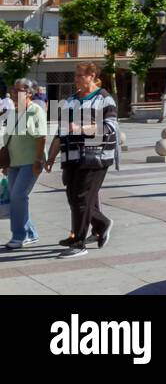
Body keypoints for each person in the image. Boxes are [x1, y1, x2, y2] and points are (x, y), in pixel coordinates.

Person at [45, 62, 117, 259]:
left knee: (81, 199)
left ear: (92, 75)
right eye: (75, 75)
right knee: (74, 198)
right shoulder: (70, 100)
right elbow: (61, 132)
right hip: (71, 158)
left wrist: (80, 128)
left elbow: (109, 127)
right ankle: (101, 224)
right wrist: (50, 157)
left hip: (95, 157)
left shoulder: (104, 99)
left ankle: (78, 242)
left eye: (79, 75)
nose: (75, 79)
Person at [1, 78, 47, 250]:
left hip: (30, 162)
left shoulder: (35, 111)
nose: (13, 92)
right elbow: (10, 140)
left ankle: (20, 235)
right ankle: (31, 233)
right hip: (14, 163)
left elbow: (41, 137)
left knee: (18, 196)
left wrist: (38, 160)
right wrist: (6, 163)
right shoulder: (14, 112)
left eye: (18, 90)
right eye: (13, 89)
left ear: (29, 93)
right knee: (15, 198)